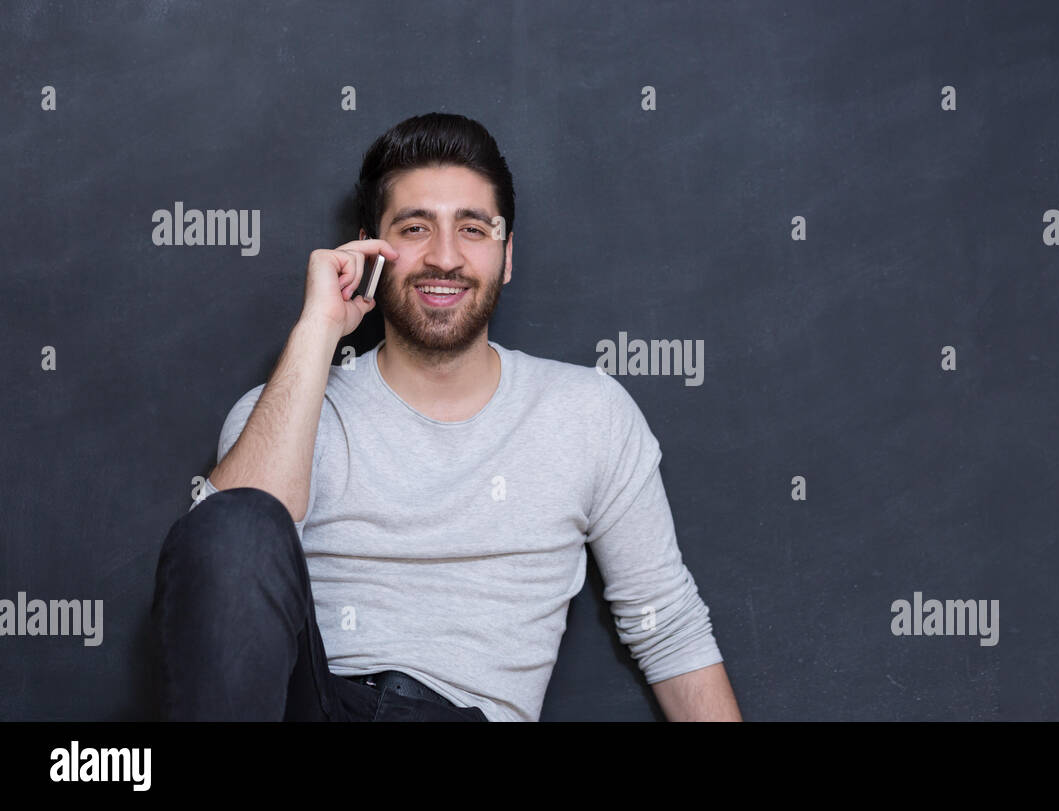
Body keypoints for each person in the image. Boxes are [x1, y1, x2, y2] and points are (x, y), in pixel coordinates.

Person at [151, 112, 742, 722]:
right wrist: (319, 327)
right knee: (238, 520)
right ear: (368, 254)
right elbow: (217, 571)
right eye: (413, 228)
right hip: (315, 704)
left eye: (474, 230)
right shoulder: (284, 408)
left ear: (506, 256)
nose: (444, 257)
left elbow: (669, 630)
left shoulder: (589, 413)